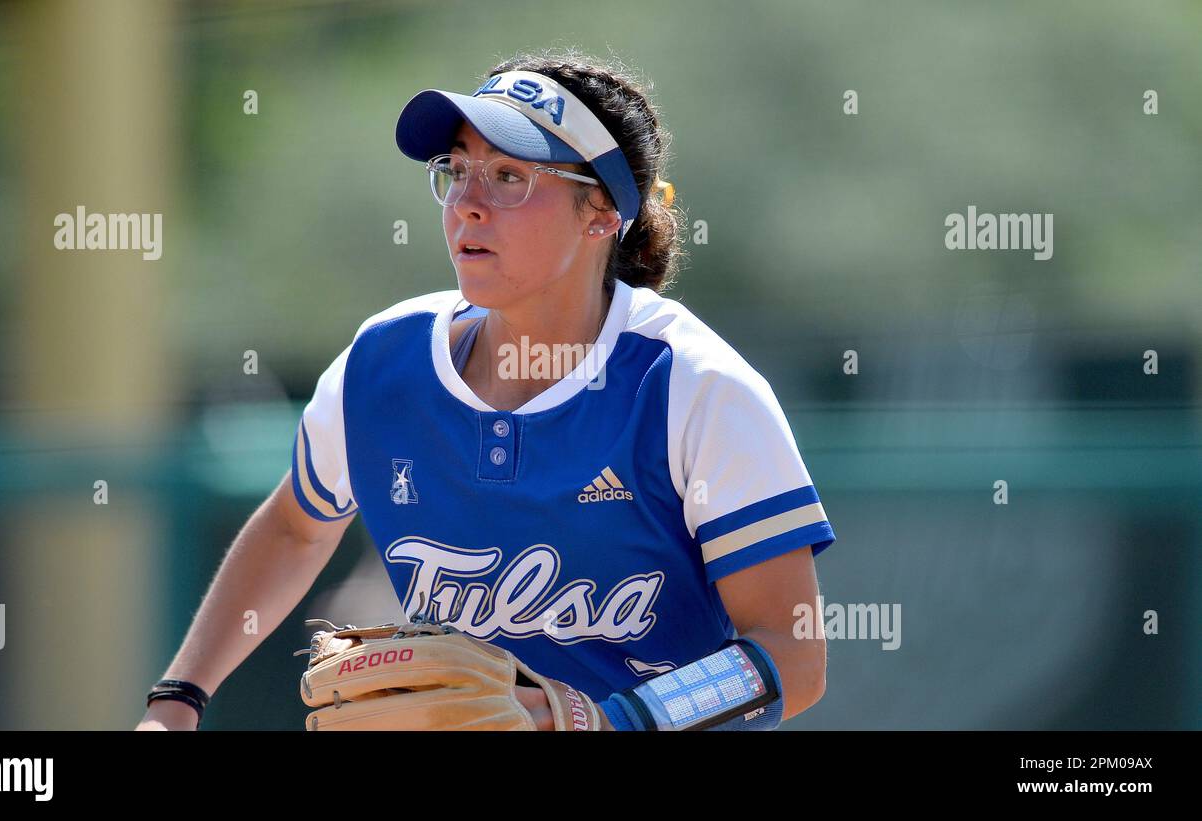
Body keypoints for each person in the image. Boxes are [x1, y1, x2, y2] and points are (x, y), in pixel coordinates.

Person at [137, 49, 836, 732]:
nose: (468, 203)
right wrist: (177, 700)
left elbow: (792, 656)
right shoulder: (384, 364)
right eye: (458, 170)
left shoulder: (692, 386)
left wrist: (608, 720)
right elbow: (296, 527)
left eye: (508, 176)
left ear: (600, 212)